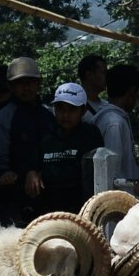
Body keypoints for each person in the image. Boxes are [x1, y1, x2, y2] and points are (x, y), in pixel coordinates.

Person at [0, 56, 58, 227]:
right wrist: (5, 173)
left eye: (30, 82)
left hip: (49, 194)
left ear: (39, 83)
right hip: (14, 199)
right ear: (11, 86)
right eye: (20, 83)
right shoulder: (4, 118)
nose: (26, 88)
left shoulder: (49, 115)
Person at [24, 82, 104, 218]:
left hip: (80, 211)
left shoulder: (90, 135)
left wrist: (48, 174)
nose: (65, 115)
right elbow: (32, 163)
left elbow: (86, 174)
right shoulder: (46, 134)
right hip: (46, 211)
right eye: (60, 109)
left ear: (83, 111)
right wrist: (31, 172)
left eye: (72, 109)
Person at [93, 63, 139, 184]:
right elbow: (113, 171)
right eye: (137, 92)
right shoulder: (114, 123)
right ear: (131, 91)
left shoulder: (111, 117)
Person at [76, 53, 107, 118]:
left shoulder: (106, 106)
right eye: (104, 73)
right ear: (89, 75)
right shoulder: (75, 108)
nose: (107, 77)